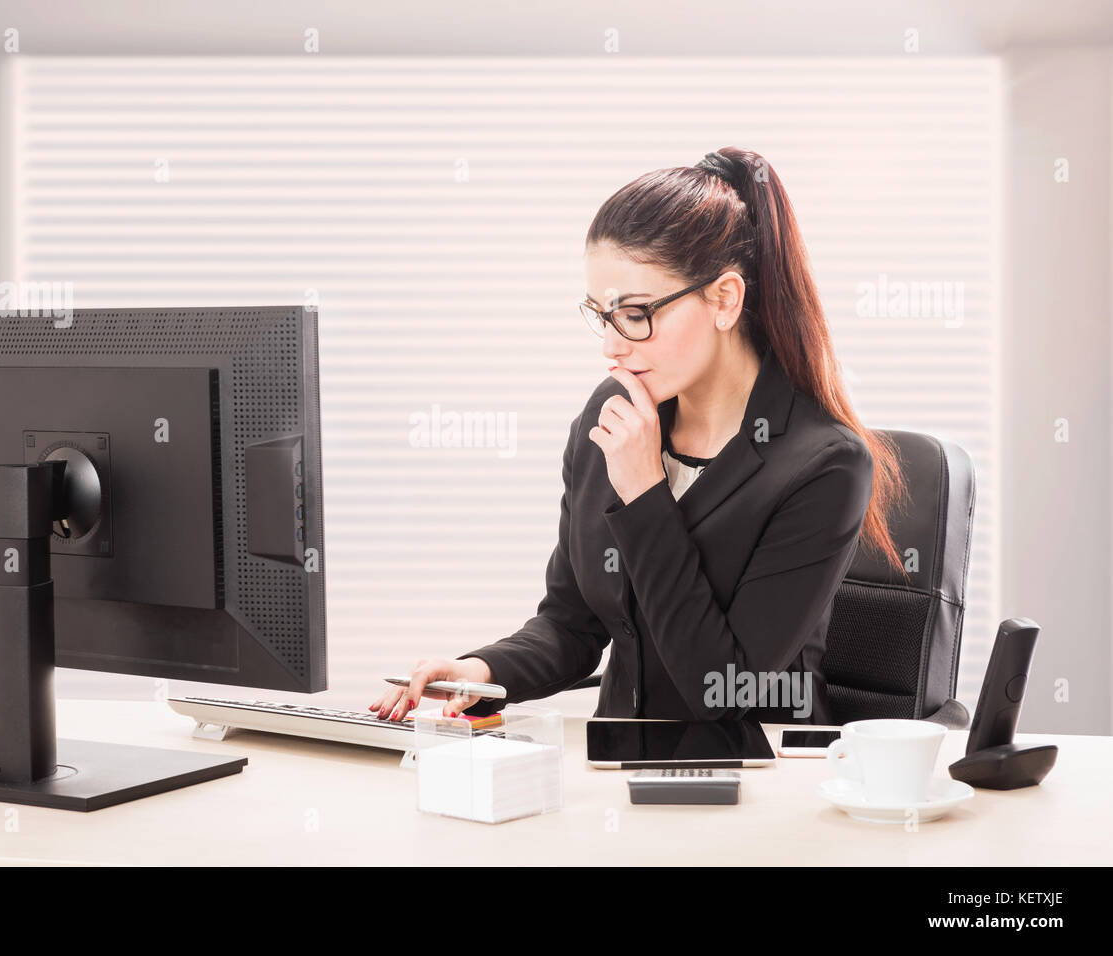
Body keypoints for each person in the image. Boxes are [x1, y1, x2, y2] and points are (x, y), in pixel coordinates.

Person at [369, 147, 909, 725]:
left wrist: (645, 493)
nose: (612, 346)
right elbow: (571, 624)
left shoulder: (823, 463)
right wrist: (482, 670)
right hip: (621, 766)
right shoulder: (615, 414)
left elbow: (722, 690)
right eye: (602, 315)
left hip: (757, 776)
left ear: (724, 299)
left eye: (635, 313)